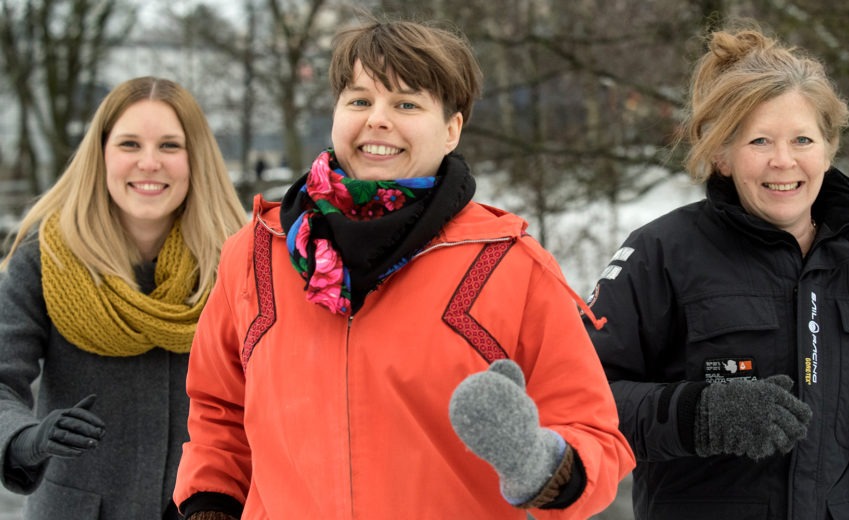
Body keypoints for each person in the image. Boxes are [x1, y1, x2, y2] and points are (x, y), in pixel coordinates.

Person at [173, 17, 634, 520]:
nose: (377, 119)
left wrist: (541, 464)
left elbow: (593, 433)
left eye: (407, 103)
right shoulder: (256, 254)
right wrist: (209, 509)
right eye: (360, 100)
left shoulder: (510, 264)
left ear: (452, 129)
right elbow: (219, 413)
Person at [584, 22, 849, 520]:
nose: (783, 161)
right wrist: (699, 416)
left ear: (829, 148)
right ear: (722, 156)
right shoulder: (661, 253)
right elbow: (582, 395)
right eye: (759, 142)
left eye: (802, 139)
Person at [0, 76, 246, 519]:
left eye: (170, 146)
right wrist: (26, 437)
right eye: (129, 144)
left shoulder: (240, 263)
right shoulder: (47, 258)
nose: (149, 163)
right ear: (101, 155)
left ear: (196, 159)